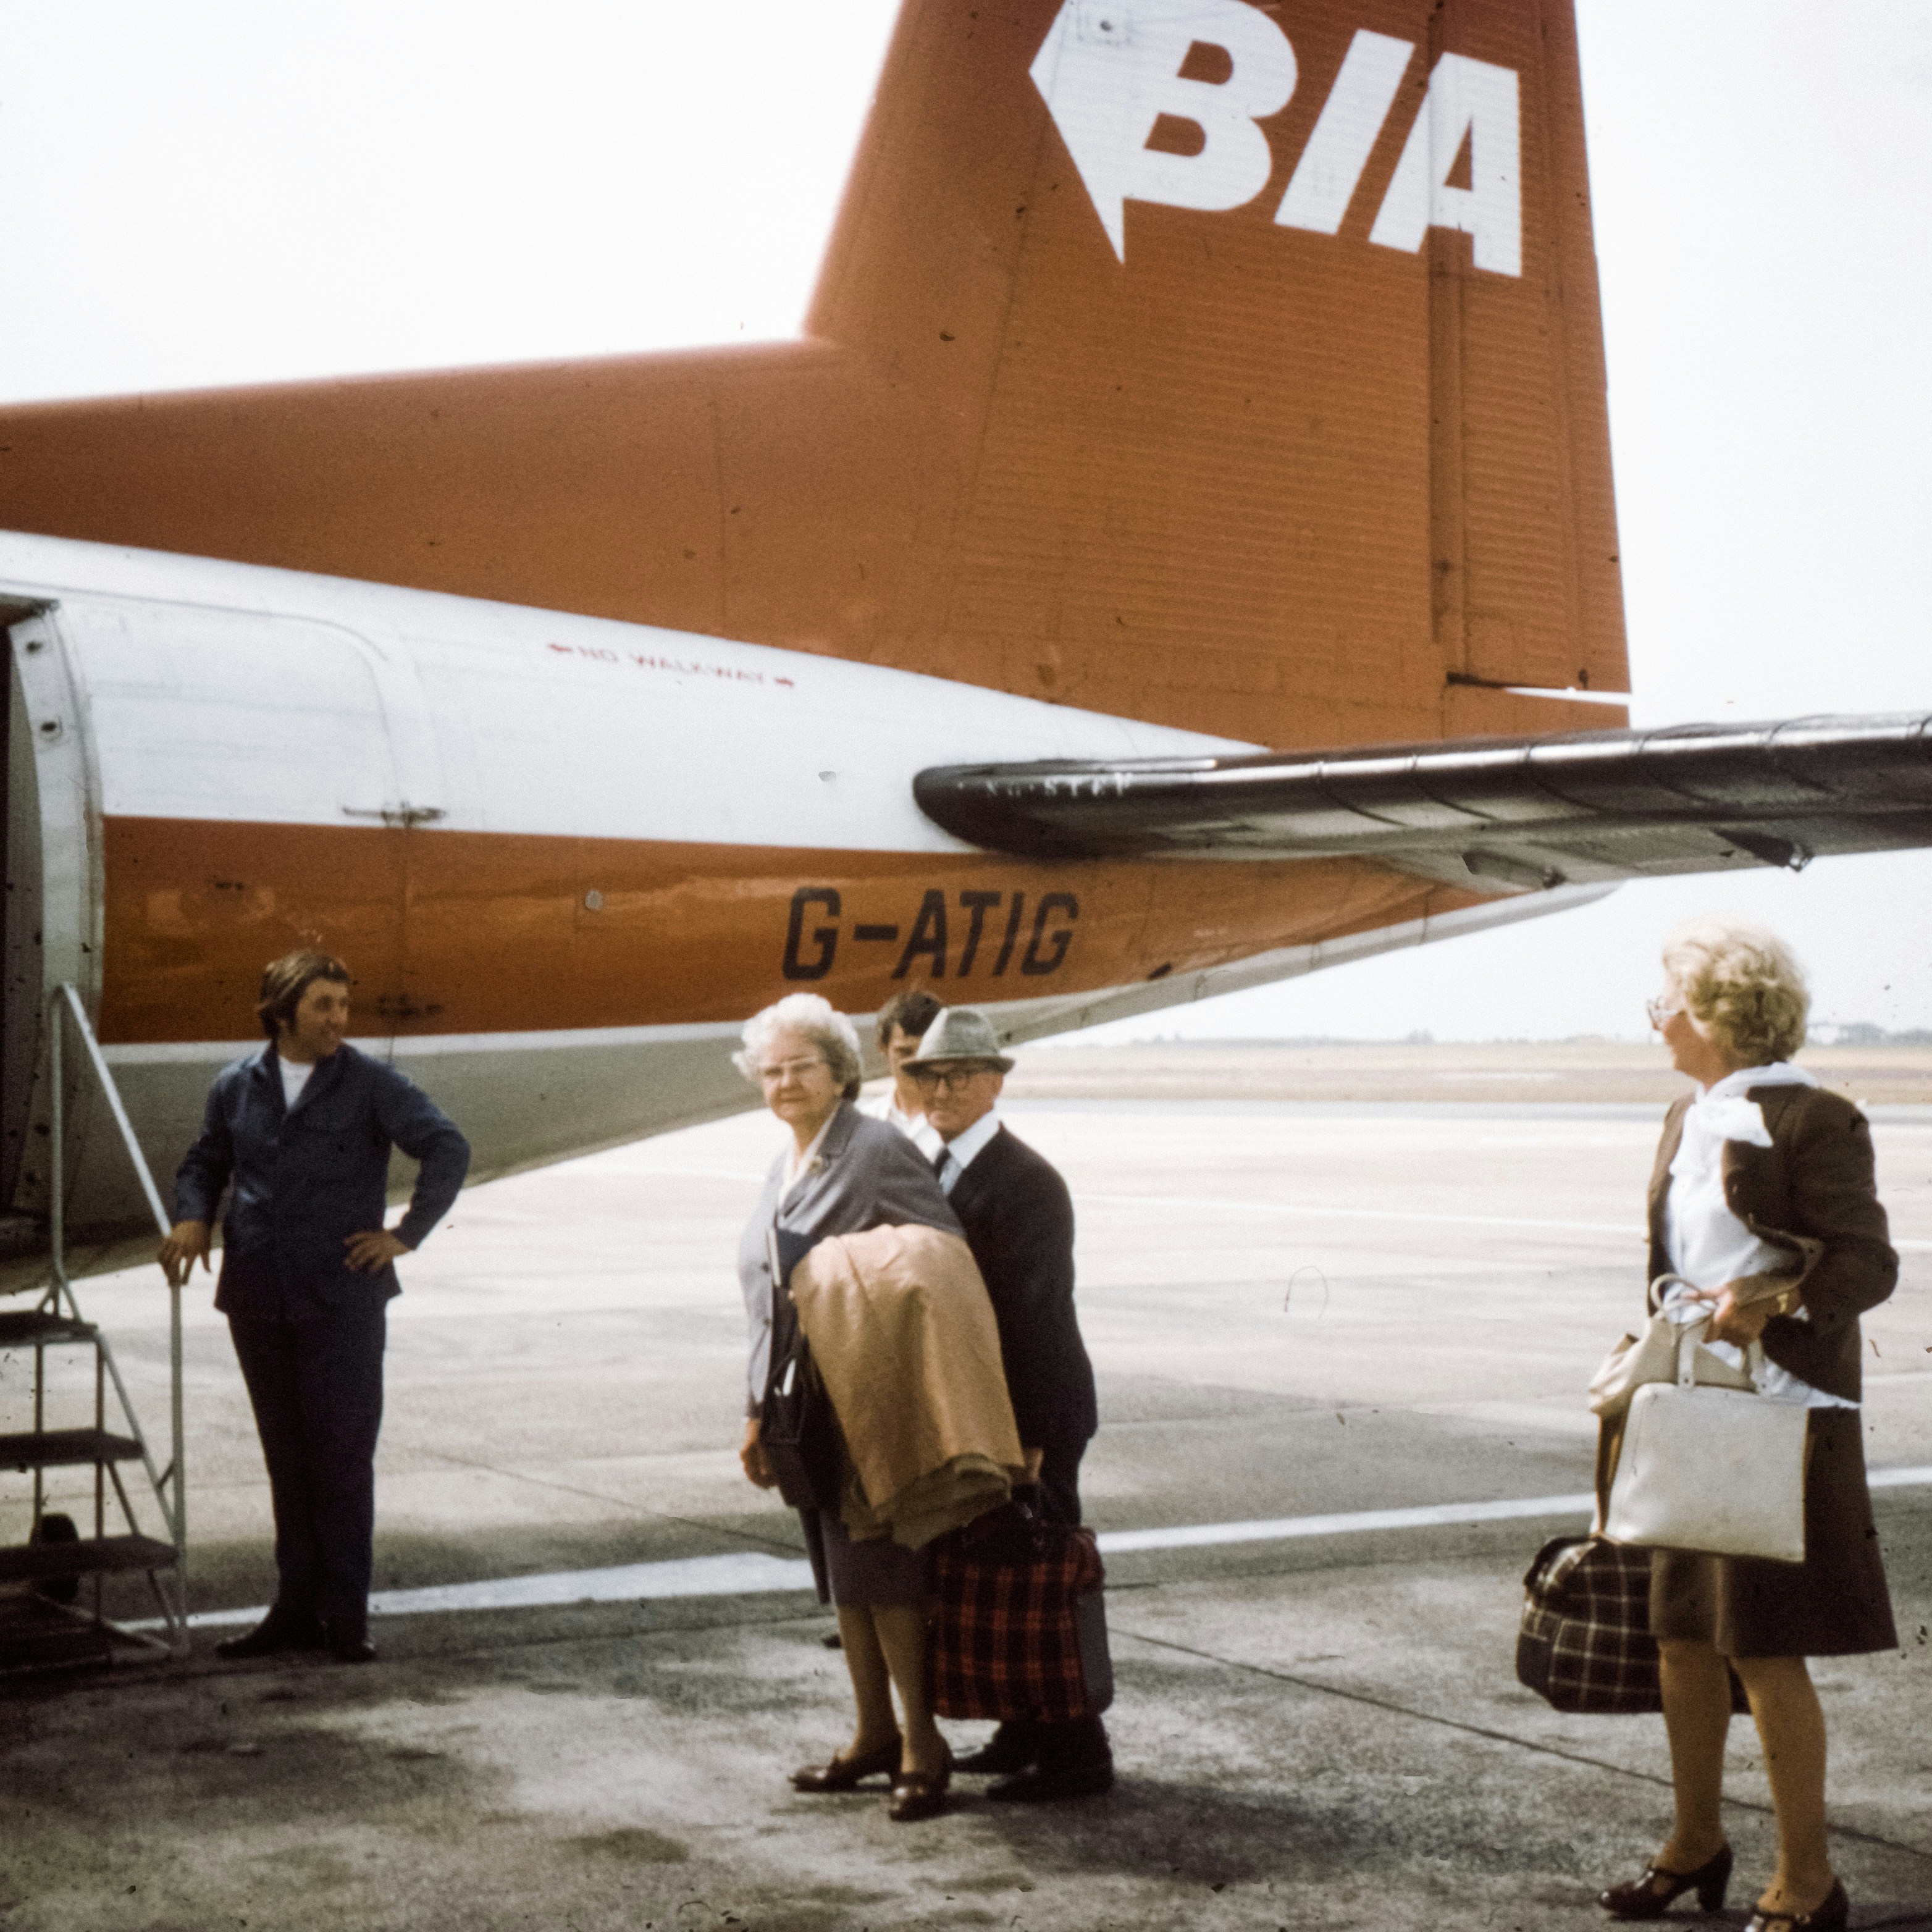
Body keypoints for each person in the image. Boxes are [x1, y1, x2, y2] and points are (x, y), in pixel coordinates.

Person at [1601, 918, 1896, 1932]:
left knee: (1761, 1648)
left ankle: (1807, 1879)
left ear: (1718, 1015)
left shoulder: (1815, 1117)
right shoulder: (1685, 1117)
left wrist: (1769, 1299)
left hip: (1777, 1414)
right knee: (1679, 1638)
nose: (1656, 1021)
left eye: (1666, 1003)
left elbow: (1864, 1263)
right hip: (1690, 1400)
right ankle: (1694, 1843)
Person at [159, 950, 469, 1663]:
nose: (337, 1018)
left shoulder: (369, 1083)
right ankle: (294, 1610)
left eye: (342, 1004)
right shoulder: (237, 1083)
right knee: (287, 1459)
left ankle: (345, 1616)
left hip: (341, 1299)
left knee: (340, 1459)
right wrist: (191, 1214)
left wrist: (404, 1235)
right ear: (284, 1008)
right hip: (258, 1295)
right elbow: (206, 1160)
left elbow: (446, 1146)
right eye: (323, 1004)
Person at [733, 993, 962, 1822]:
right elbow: (767, 1293)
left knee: (887, 1574)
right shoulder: (788, 1158)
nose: (785, 1081)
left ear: (840, 1075)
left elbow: (942, 1254)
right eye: (772, 1069)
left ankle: (922, 1747)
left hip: (867, 1392)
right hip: (803, 1403)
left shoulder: (873, 1149)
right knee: (844, 1579)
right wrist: (756, 1410)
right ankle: (872, 1735)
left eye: (802, 1066)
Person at [905, 1006, 1111, 1802]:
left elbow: (1037, 1322)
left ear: (994, 1083)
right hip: (983, 1408)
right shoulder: (934, 1165)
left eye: (960, 1074)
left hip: (1036, 1410)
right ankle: (1023, 1728)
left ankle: (1079, 1754)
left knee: (1046, 1581)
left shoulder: (1024, 1181)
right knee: (1006, 1579)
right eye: (929, 1075)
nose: (942, 1088)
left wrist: (1028, 1445)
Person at [860, 988, 944, 1157]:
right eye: (905, 1052)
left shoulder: (960, 1124)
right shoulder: (863, 1121)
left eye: (925, 1052)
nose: (916, 1063)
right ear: (883, 1048)